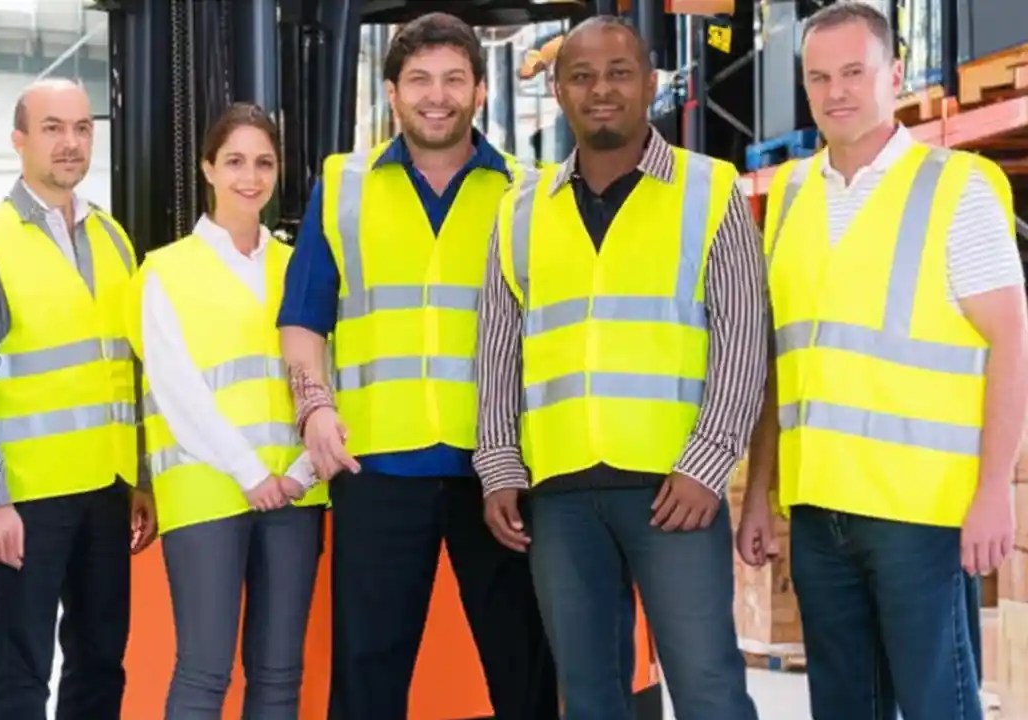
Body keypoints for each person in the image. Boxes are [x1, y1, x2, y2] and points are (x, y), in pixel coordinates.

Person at [736, 4, 1026, 719]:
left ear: (894, 75)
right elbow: (781, 362)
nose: (836, 92)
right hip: (819, 508)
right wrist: (760, 491)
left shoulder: (956, 186)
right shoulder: (792, 194)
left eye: (854, 73)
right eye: (819, 77)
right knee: (844, 706)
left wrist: (996, 488)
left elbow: (1012, 340)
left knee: (937, 704)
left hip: (920, 512)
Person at [476, 16, 767, 720]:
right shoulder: (520, 211)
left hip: (674, 487)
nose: (600, 90)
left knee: (707, 688)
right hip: (561, 493)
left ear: (651, 84)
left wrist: (707, 463)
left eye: (618, 73)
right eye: (581, 76)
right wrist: (499, 466)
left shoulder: (710, 190)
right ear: (559, 91)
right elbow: (497, 351)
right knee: (588, 697)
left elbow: (743, 338)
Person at [277, 11, 558, 720]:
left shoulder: (529, 191)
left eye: (454, 80)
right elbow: (303, 320)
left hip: (500, 469)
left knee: (525, 667)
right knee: (366, 681)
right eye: (420, 80)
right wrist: (313, 409)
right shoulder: (343, 185)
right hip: (377, 468)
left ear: (480, 92)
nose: (438, 96)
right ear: (393, 93)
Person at [0, 78, 156, 720]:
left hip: (107, 489)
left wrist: (142, 475)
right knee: (22, 669)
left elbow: (130, 372)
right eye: (52, 128)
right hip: (28, 495)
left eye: (81, 128)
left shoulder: (114, 238)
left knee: (101, 660)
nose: (70, 142)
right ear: (19, 140)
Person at [130, 103, 329, 719]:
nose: (251, 177)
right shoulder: (166, 271)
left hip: (295, 491)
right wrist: (250, 472)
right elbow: (178, 390)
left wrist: (301, 472)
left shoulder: (300, 267)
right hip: (208, 490)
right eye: (235, 161)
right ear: (208, 169)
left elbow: (328, 373)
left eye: (264, 163)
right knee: (204, 671)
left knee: (280, 675)